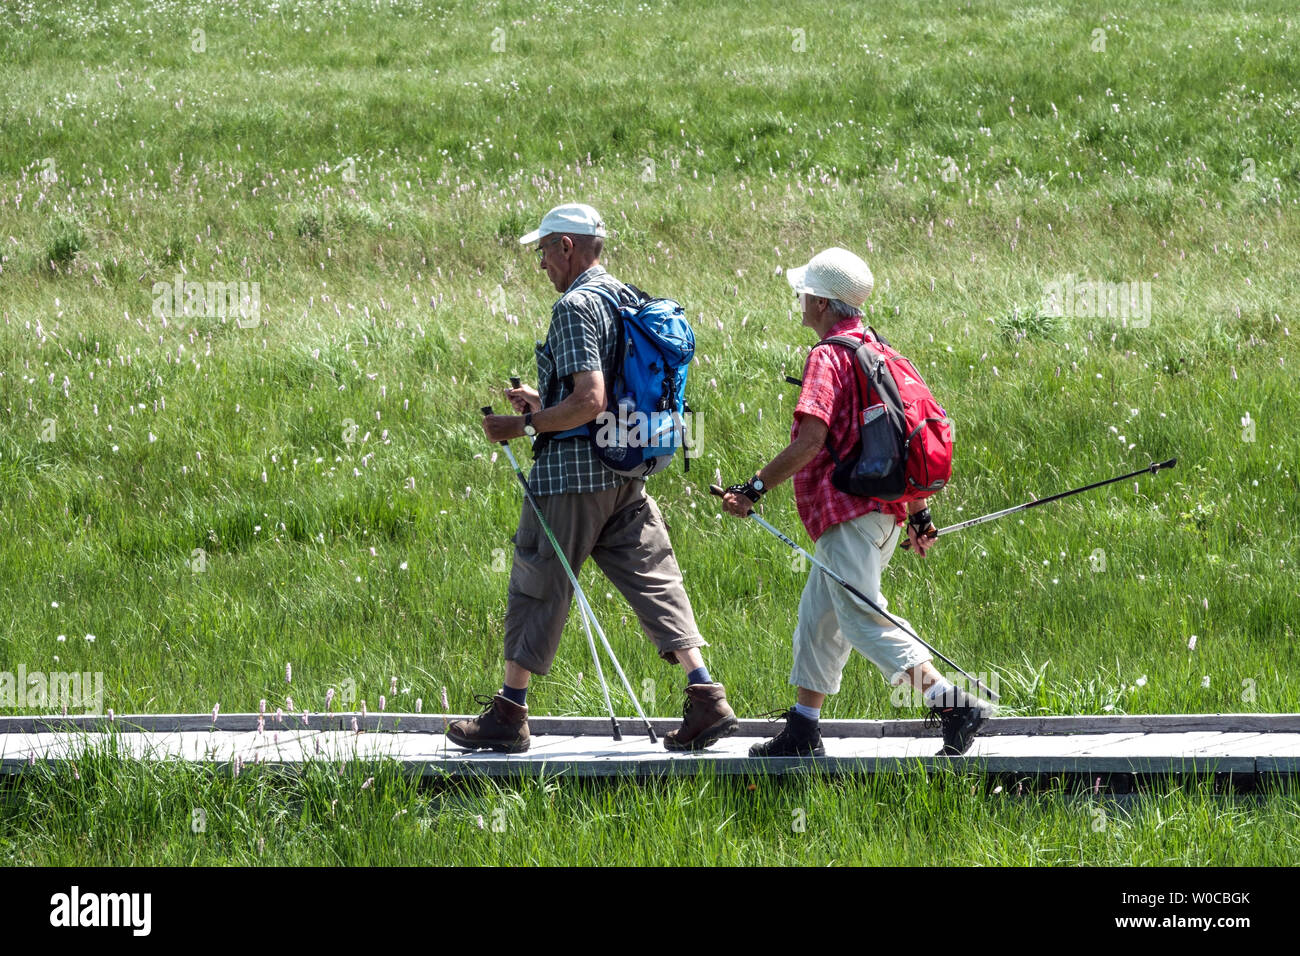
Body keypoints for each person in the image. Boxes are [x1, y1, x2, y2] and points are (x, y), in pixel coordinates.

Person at [450, 202, 738, 754]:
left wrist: (525, 422)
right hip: (628, 471)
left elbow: (590, 400)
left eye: (543, 251)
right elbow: (608, 397)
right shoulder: (628, 298)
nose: (540, 265)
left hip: (573, 478)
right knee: (655, 578)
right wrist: (546, 400)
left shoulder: (575, 307)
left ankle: (508, 716)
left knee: (538, 582)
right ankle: (705, 694)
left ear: (566, 247)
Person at [721, 247, 992, 757]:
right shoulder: (880, 351)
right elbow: (904, 437)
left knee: (862, 616)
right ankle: (803, 728)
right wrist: (918, 513)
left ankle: (952, 702)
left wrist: (753, 488)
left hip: (850, 515)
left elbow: (811, 442)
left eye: (805, 293)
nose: (799, 299)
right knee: (820, 617)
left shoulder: (828, 356)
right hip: (879, 515)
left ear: (822, 303)